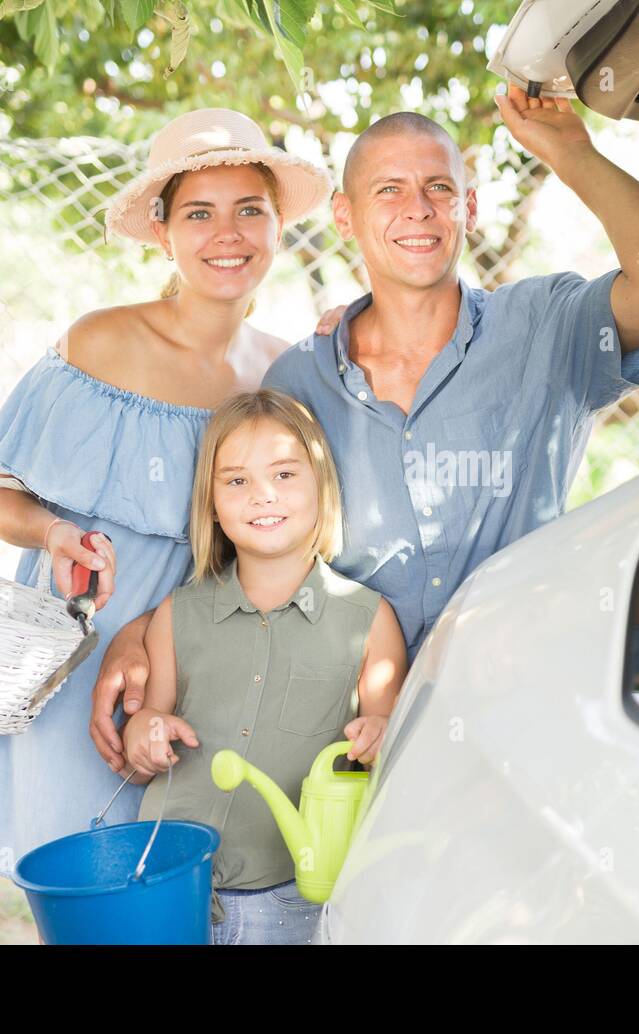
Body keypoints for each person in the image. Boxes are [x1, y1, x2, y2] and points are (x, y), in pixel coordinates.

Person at [90, 85, 639, 772]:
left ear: (469, 209)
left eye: (439, 188)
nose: (417, 208)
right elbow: (257, 552)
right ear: (345, 217)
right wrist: (147, 631)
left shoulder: (546, 327)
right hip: (352, 740)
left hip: (519, 718)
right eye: (388, 190)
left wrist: (570, 151)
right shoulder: (300, 381)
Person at [0, 109, 335, 905]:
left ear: (278, 228)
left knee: (192, 898)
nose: (226, 234)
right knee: (91, 892)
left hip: (210, 660)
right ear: (162, 232)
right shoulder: (101, 342)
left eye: (250, 211)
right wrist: (54, 530)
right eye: (198, 212)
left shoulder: (286, 372)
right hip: (79, 657)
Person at [120, 389, 406, 944]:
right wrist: (144, 734)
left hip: (289, 899)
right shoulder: (179, 613)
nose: (262, 496)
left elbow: (386, 737)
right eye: (236, 481)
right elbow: (145, 729)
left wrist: (377, 735)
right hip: (168, 887)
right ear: (212, 503)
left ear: (321, 485)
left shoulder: (368, 619)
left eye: (284, 474)